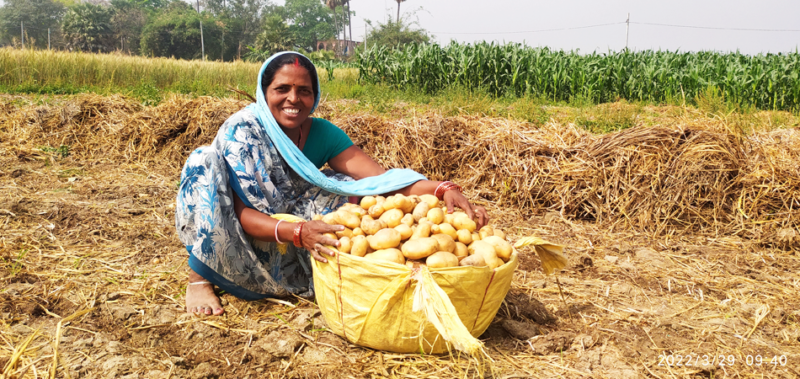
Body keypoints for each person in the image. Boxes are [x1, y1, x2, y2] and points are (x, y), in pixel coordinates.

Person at [175, 52, 489, 316]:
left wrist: (443, 189)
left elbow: (379, 181)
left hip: (295, 238)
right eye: (282, 88)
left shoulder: (322, 133)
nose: (294, 99)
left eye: (305, 91)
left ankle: (311, 268)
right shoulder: (243, 130)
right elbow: (240, 212)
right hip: (240, 232)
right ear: (264, 91)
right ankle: (199, 277)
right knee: (203, 163)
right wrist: (298, 232)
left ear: (316, 95)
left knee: (346, 187)